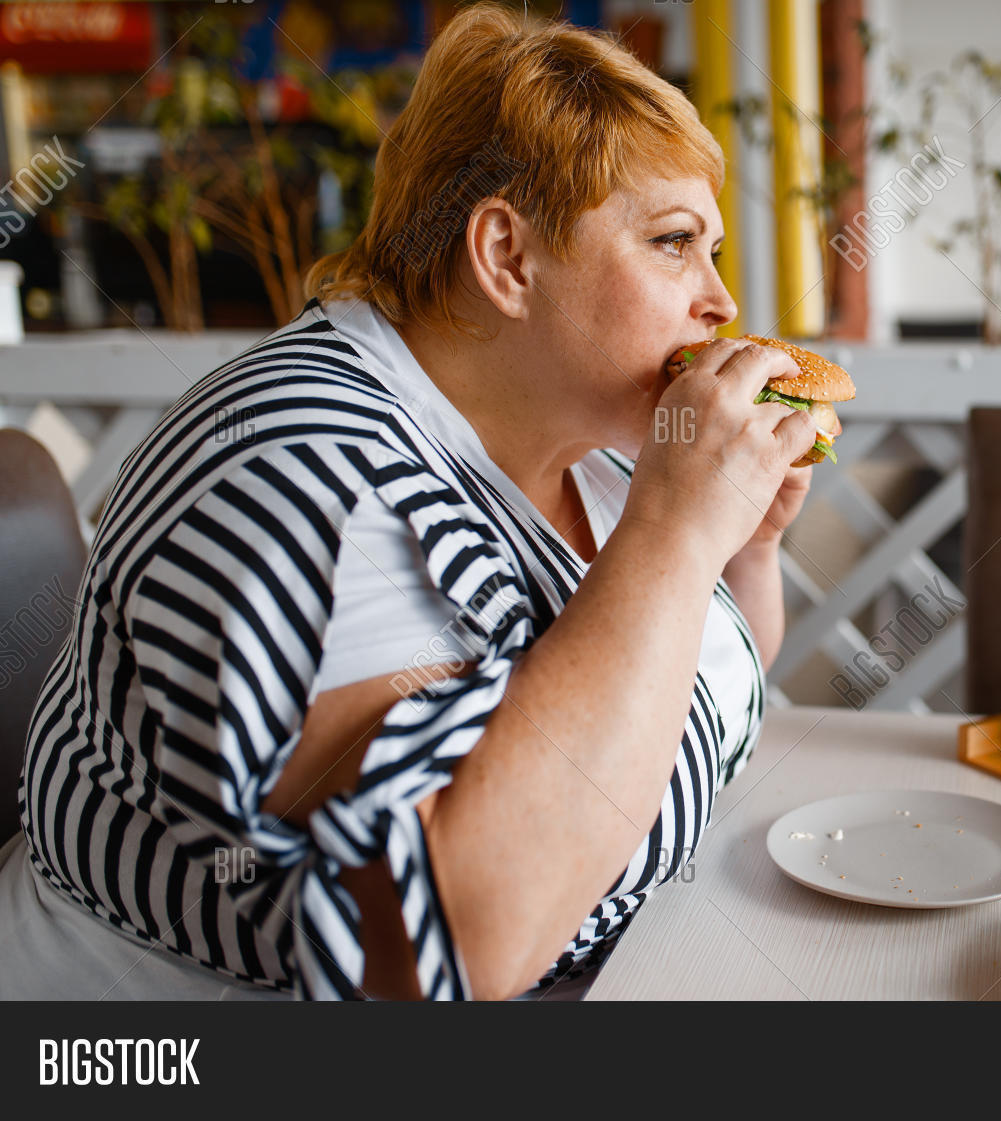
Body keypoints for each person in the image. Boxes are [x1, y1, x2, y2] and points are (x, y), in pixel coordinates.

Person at [0, 5, 819, 1000]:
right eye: (675, 242)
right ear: (507, 257)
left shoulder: (595, 454)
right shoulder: (307, 472)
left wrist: (743, 552)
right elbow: (444, 938)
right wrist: (679, 536)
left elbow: (706, 675)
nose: (722, 302)